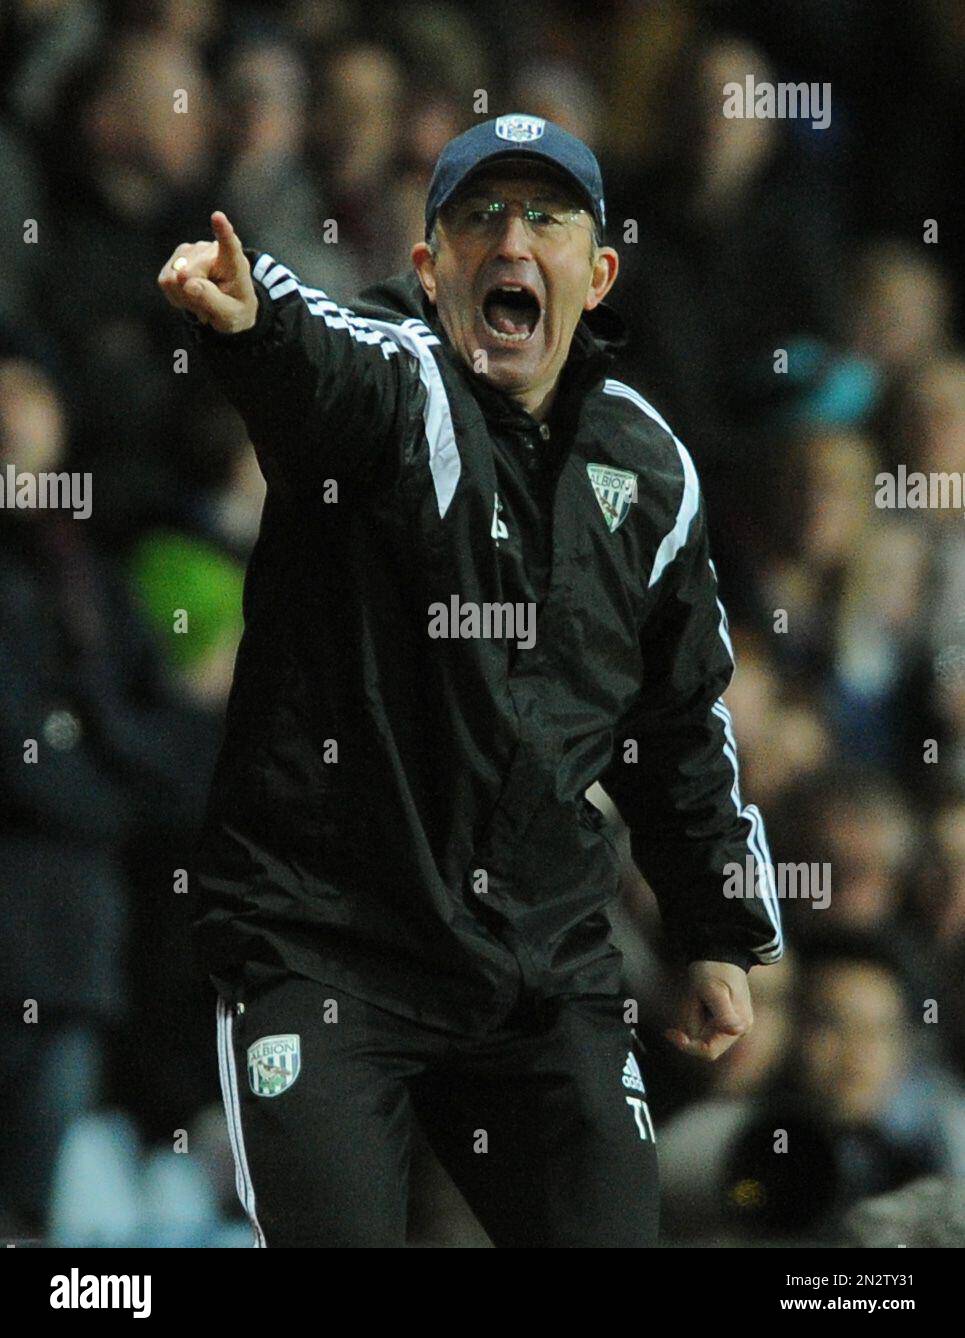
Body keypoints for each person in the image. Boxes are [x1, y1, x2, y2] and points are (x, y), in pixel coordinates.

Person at [158, 114, 783, 1248]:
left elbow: (676, 721)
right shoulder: (399, 388)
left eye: (545, 215)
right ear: (427, 264)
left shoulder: (648, 473)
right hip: (325, 945)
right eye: (479, 215)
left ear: (594, 275)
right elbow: (326, 363)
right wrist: (251, 326)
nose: (511, 238)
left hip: (538, 969)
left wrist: (710, 927)